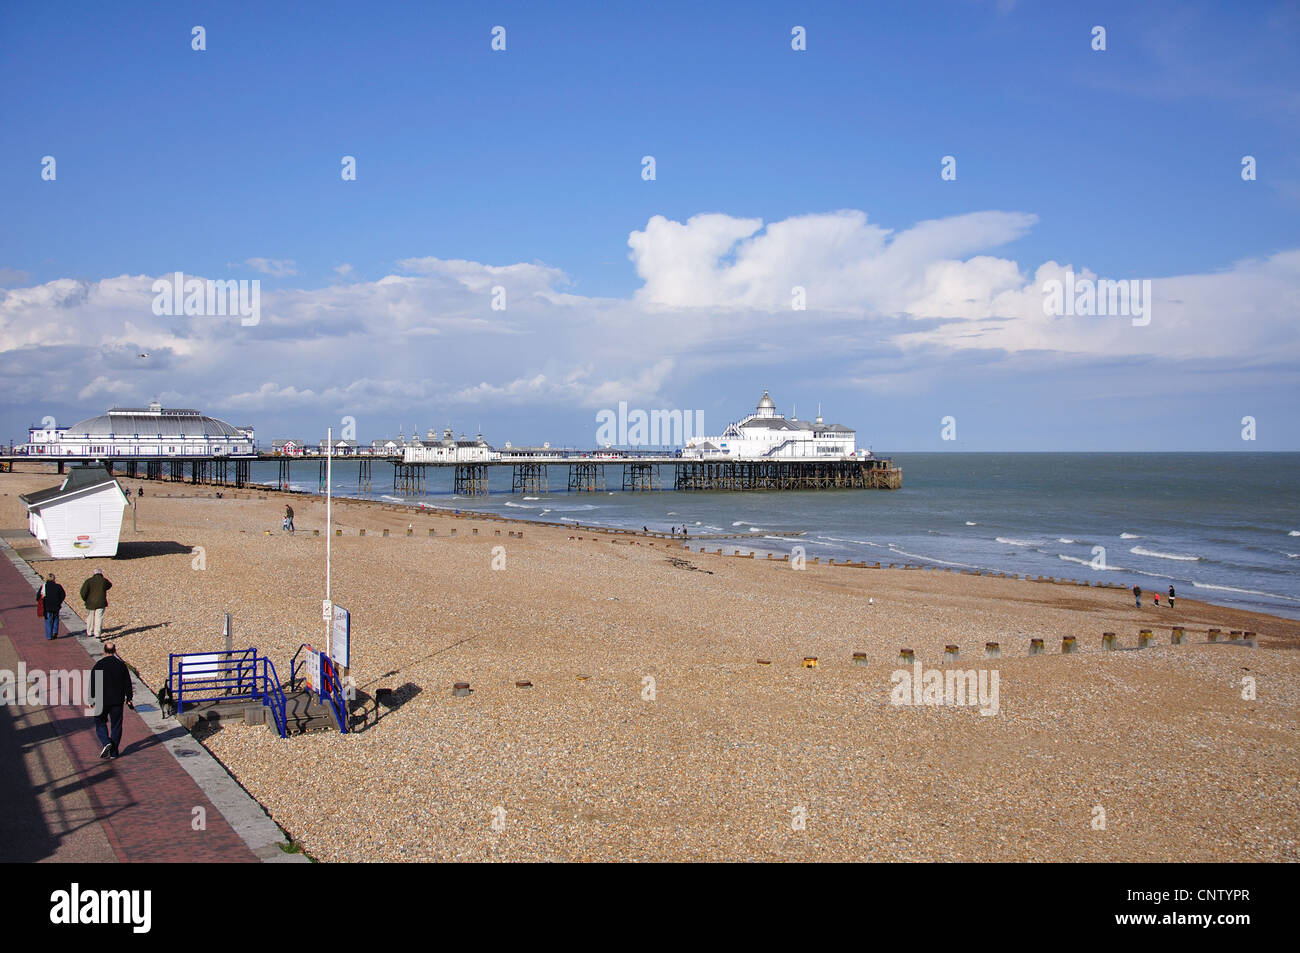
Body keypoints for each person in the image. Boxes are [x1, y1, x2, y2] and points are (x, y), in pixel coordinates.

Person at [89, 641, 133, 759]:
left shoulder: (99, 665)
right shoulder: (121, 665)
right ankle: (114, 752)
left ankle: (106, 741)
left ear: (104, 651)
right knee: (116, 725)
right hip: (117, 701)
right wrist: (129, 698)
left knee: (99, 721)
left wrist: (91, 700)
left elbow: (93, 683)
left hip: (101, 700)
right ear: (115, 651)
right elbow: (127, 683)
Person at [80, 569, 112, 639]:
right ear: (101, 573)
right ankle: (97, 633)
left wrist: (85, 599)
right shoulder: (104, 580)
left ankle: (89, 632)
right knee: (99, 618)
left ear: (94, 573)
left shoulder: (88, 581)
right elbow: (109, 585)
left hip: (90, 602)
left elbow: (83, 592)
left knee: (90, 618)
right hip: (101, 602)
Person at [38, 573, 66, 640]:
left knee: (48, 620)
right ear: (54, 578)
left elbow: (38, 596)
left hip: (47, 606)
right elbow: (63, 595)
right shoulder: (58, 586)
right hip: (56, 605)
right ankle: (55, 632)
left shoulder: (44, 586)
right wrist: (59, 601)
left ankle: (49, 636)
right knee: (56, 618)